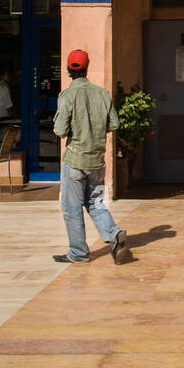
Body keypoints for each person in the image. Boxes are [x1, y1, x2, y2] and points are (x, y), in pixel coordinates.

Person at [52, 49, 129, 265]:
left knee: (72, 207)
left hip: (75, 159)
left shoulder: (67, 95)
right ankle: (113, 234)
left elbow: (60, 130)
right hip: (97, 159)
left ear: (68, 69)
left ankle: (79, 253)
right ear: (87, 67)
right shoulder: (102, 94)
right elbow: (114, 124)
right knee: (95, 202)